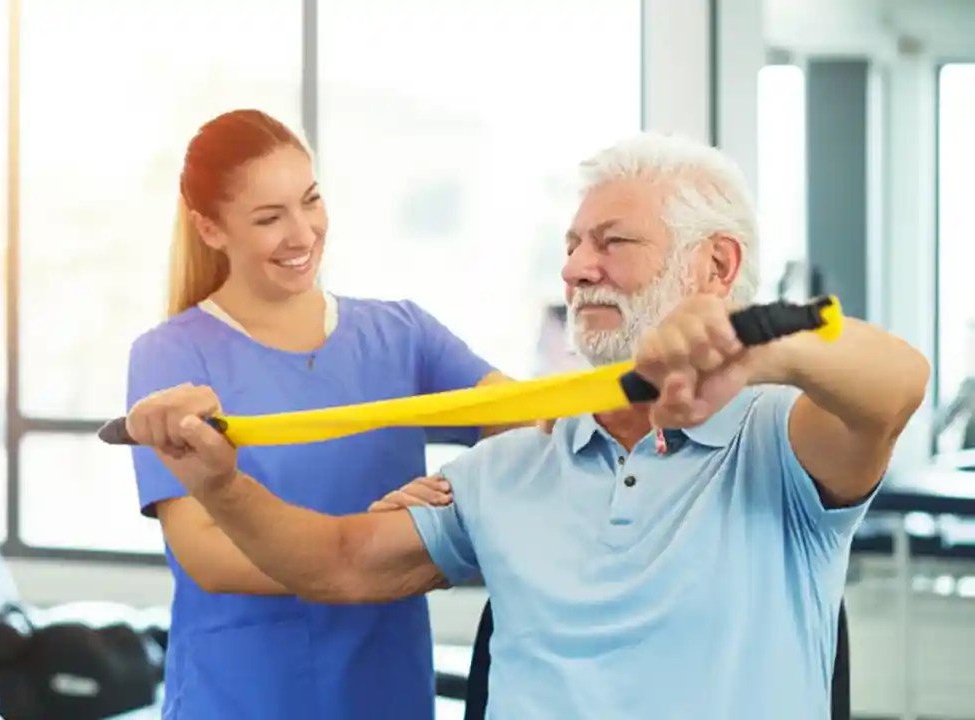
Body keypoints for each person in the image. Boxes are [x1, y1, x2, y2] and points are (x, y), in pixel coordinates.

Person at [123, 132, 931, 719]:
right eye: (573, 245)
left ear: (715, 267)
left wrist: (755, 345)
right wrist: (221, 483)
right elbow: (337, 562)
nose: (576, 267)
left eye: (612, 243)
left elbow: (895, 388)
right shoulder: (511, 466)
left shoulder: (779, 446)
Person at [125, 108, 520, 719]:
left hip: (386, 693)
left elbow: (525, 427)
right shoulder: (171, 356)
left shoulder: (403, 335)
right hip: (242, 698)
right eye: (269, 218)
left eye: (310, 201)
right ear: (210, 230)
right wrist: (373, 551)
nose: (303, 233)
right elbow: (205, 554)